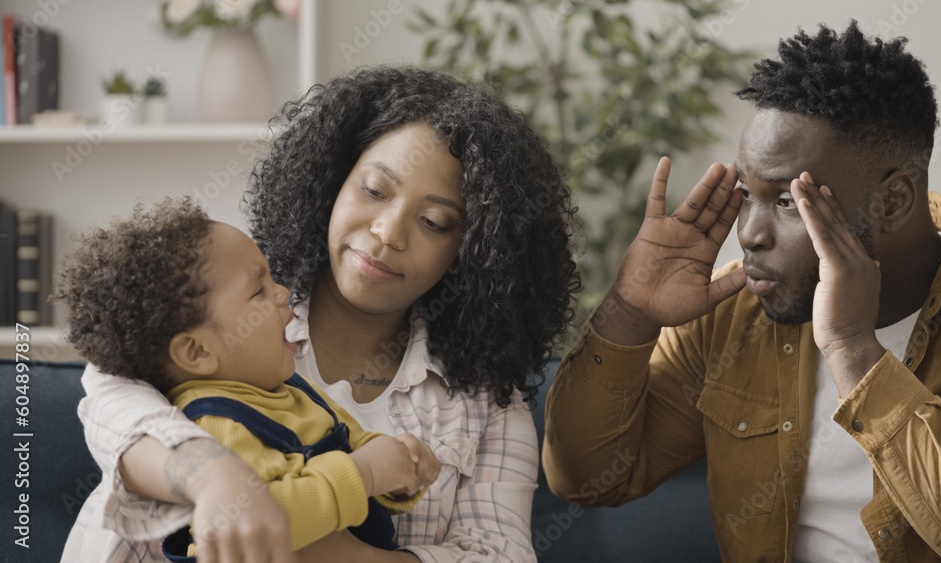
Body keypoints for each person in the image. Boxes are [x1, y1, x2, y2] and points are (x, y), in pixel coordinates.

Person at [60, 65, 579, 563]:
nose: (388, 233)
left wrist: (334, 553)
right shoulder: (212, 314)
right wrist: (212, 476)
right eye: (374, 190)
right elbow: (113, 408)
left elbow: (502, 555)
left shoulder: (486, 401)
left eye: (434, 221)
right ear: (332, 181)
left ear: (473, 250)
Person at [543, 20, 941, 562]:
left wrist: (855, 353)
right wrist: (629, 310)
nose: (750, 233)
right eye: (745, 195)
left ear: (893, 201)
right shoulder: (733, 312)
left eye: (786, 201)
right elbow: (586, 480)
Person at [55, 197, 441, 559]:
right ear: (197, 352)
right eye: (259, 290)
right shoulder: (214, 423)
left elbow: (354, 444)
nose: (283, 293)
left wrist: (401, 469)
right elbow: (266, 515)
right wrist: (368, 473)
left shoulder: (287, 391)